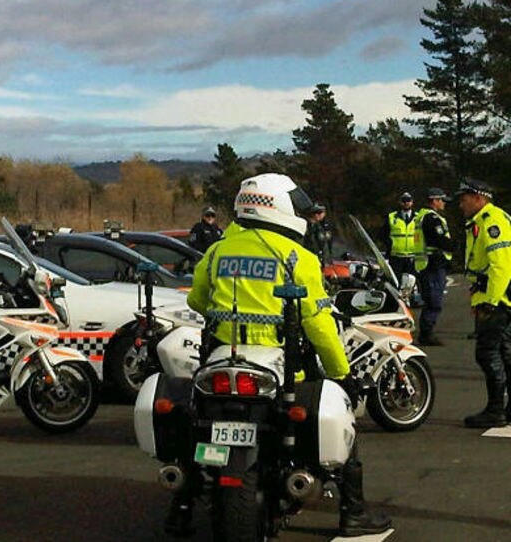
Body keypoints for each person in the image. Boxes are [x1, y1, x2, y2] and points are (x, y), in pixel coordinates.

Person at [164, 173, 391, 537]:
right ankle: (353, 513)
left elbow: (196, 300)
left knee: (198, 427)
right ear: (278, 206)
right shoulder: (297, 257)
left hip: (222, 359)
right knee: (339, 420)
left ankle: (182, 507)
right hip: (281, 367)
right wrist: (341, 373)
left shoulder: (218, 250)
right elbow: (318, 323)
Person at [457, 178, 511, 428]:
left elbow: (501, 266)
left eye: (464, 199)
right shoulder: (483, 220)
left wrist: (490, 302)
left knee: (487, 352)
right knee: (504, 353)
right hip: (497, 297)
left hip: (498, 299)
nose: (461, 205)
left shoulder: (491, 222)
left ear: (478, 198)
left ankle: (496, 410)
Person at [413, 188, 455, 346]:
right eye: (442, 200)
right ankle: (426, 334)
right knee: (433, 300)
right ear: (435, 200)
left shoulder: (421, 216)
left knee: (431, 299)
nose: (444, 204)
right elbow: (439, 239)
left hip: (426, 263)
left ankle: (426, 332)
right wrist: (455, 246)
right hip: (433, 264)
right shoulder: (432, 218)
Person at [380, 192, 419, 283]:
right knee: (396, 282)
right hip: (396, 257)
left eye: (408, 200)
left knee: (411, 283)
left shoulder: (418, 217)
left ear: (412, 202)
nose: (406, 203)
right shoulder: (392, 217)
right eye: (404, 201)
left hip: (413, 256)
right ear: (400, 202)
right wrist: (390, 244)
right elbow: (382, 234)